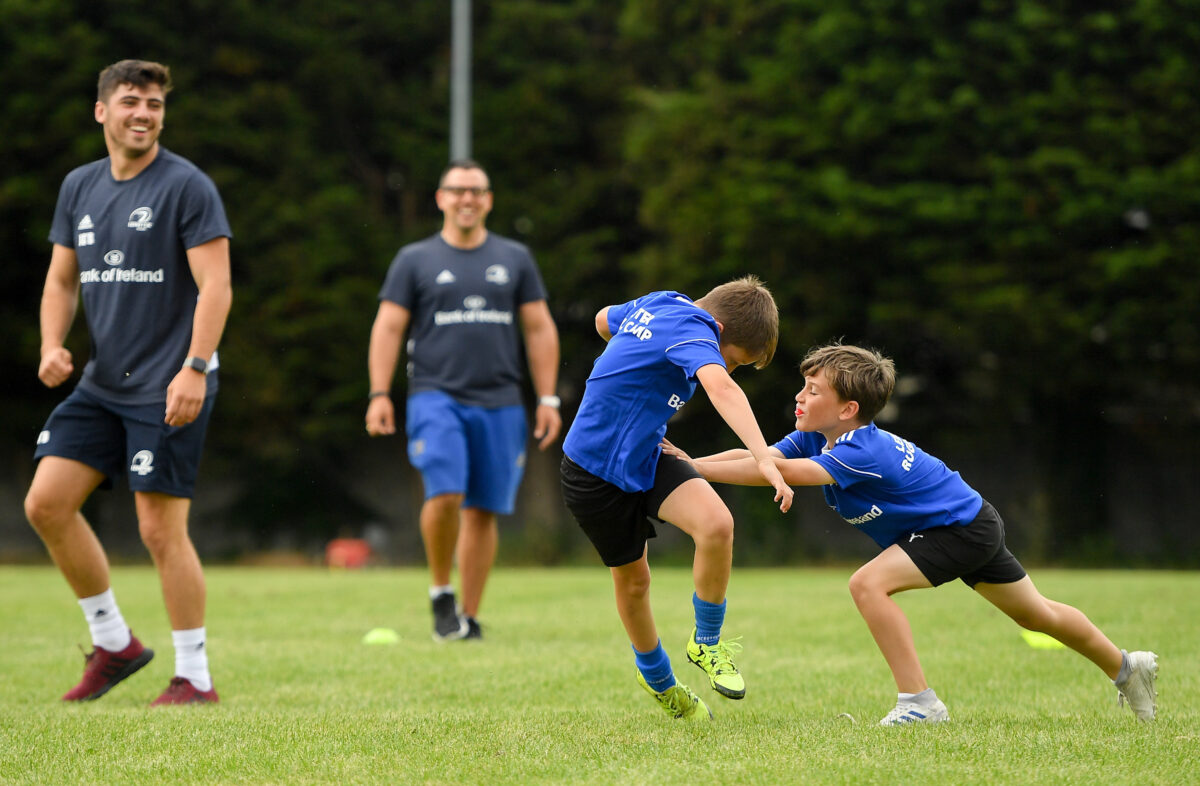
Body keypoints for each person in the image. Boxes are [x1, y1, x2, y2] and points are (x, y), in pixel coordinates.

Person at [666, 342, 1159, 725]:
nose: (799, 396)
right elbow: (765, 459)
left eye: (813, 391)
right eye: (804, 386)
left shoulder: (861, 452)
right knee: (1038, 615)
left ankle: (919, 702)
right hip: (971, 522)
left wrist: (689, 470)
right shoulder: (821, 435)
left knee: (867, 584)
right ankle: (1126, 668)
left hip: (959, 530)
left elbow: (786, 474)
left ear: (848, 409)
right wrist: (689, 464)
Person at [24, 60, 232, 705]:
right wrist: (52, 344)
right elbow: (62, 279)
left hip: (169, 383)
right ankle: (114, 643)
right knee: (46, 504)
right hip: (102, 384)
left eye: (154, 105)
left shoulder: (186, 186)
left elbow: (217, 287)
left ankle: (194, 677)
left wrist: (194, 368)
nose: (143, 114)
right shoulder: (80, 186)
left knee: (159, 530)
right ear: (102, 111)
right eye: (131, 102)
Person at [559, 276, 794, 722]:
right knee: (635, 582)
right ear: (720, 331)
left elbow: (602, 320)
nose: (730, 369)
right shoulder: (693, 329)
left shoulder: (662, 303)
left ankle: (706, 643)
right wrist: (765, 460)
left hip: (649, 454)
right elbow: (721, 389)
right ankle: (658, 678)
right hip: (592, 473)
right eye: (735, 361)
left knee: (717, 525)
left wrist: (633, 351)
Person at [366, 159, 561, 642]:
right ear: (441, 198)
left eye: (476, 191)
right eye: (457, 190)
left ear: (489, 200)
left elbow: (539, 328)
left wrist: (549, 398)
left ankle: (467, 619)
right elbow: (388, 327)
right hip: (436, 396)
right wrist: (378, 393)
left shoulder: (514, 258)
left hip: (501, 400)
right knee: (446, 492)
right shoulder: (414, 259)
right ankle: (440, 593)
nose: (467, 199)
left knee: (482, 510)